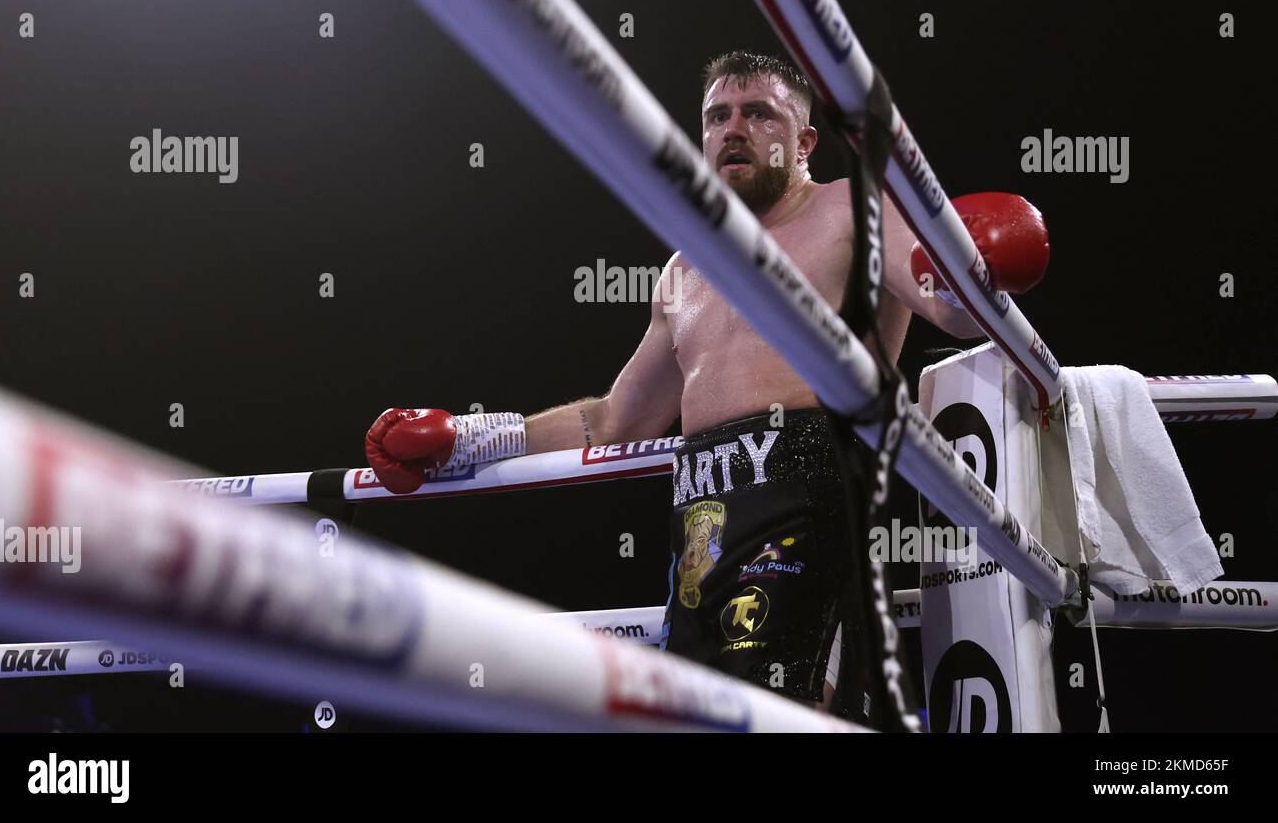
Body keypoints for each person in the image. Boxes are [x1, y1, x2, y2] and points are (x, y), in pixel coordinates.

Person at [365, 51, 1048, 719]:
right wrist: (473, 438)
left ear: (805, 142)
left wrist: (973, 265)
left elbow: (947, 309)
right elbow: (614, 421)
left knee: (782, 710)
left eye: (758, 113)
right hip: (702, 530)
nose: (734, 129)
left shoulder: (855, 210)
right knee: (694, 718)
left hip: (809, 504)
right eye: (718, 116)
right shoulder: (684, 270)